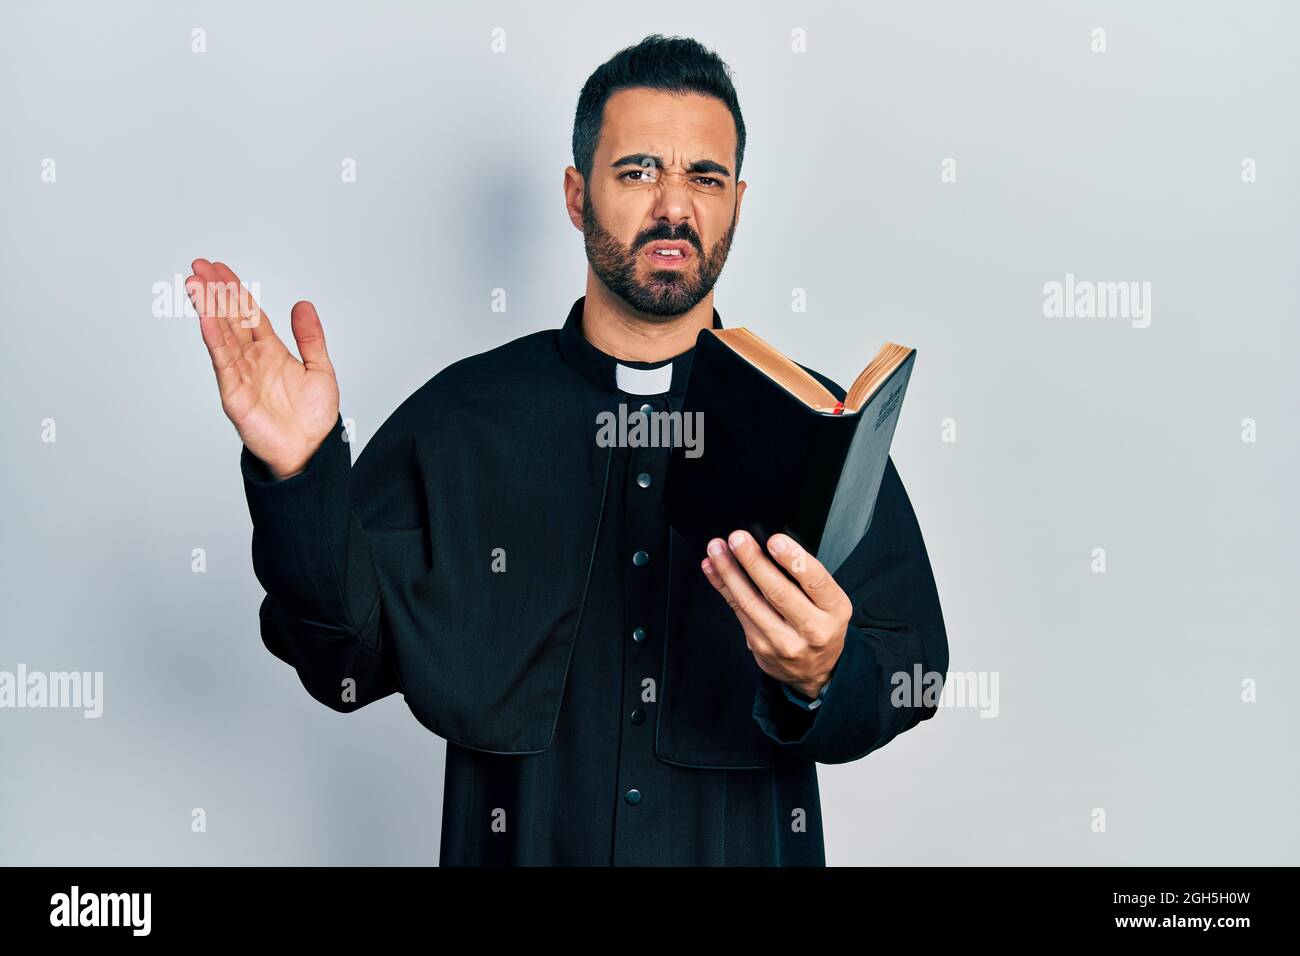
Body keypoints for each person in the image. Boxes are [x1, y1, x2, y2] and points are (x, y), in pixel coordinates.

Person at [185, 34, 948, 866]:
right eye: (638, 171)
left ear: (737, 202)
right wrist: (299, 475)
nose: (674, 207)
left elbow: (911, 671)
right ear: (577, 196)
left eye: (705, 177)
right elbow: (338, 658)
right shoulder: (461, 418)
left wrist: (822, 674)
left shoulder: (815, 429)